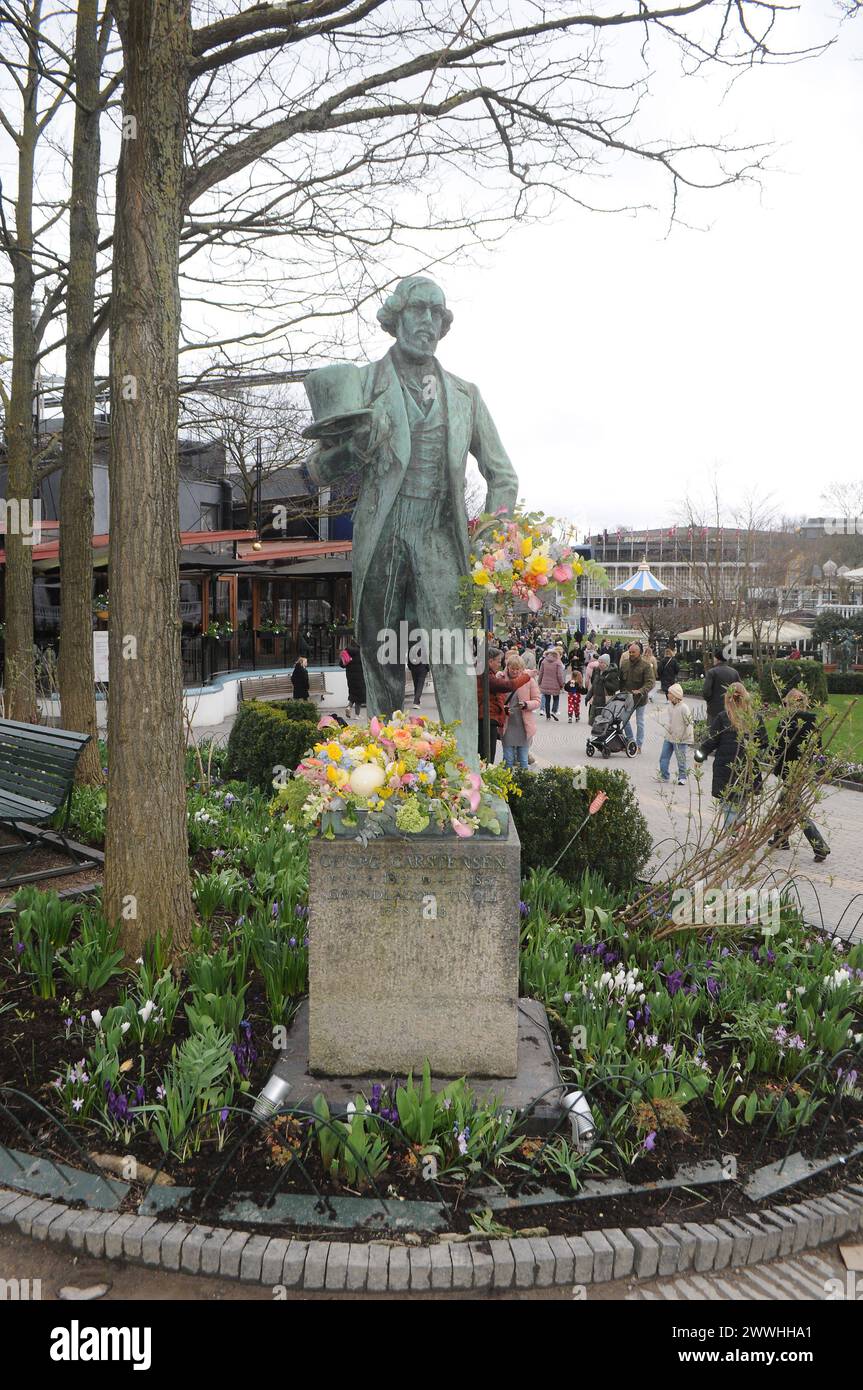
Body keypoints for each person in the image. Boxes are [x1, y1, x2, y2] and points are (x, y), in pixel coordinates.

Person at [306, 275, 518, 767]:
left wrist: (489, 538)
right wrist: (359, 445)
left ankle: (465, 776)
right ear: (396, 315)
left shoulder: (465, 394)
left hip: (440, 539)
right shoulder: (362, 382)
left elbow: (502, 476)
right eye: (418, 309)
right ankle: (384, 770)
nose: (427, 321)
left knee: (452, 657)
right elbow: (318, 468)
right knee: (382, 658)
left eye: (436, 314)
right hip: (383, 535)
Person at [694, 682, 768, 829]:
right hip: (748, 768)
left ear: (727, 698)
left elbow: (710, 741)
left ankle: (732, 836)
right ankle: (739, 828)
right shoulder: (755, 718)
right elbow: (764, 742)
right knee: (741, 803)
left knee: (728, 807)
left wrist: (698, 757)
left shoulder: (723, 718)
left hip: (726, 769)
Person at [768, 688, 830, 861]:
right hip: (803, 769)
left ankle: (819, 846)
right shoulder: (813, 722)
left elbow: (778, 746)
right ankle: (781, 839)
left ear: (788, 703)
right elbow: (818, 746)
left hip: (789, 769)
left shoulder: (787, 722)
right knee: (786, 802)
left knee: (794, 807)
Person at [477, 647, 530, 763]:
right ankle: (484, 776)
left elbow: (494, 696)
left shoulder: (485, 672)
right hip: (486, 718)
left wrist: (503, 708)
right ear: (490, 661)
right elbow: (507, 686)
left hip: (489, 717)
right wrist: (527, 677)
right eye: (498, 661)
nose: (500, 664)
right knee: (487, 755)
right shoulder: (485, 675)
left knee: (486, 753)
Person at [500, 655, 540, 769]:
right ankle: (507, 784)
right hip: (508, 725)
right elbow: (496, 700)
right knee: (508, 760)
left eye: (518, 669)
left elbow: (537, 700)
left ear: (522, 669)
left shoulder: (529, 681)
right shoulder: (501, 679)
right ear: (507, 667)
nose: (515, 671)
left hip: (523, 725)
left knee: (523, 760)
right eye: (512, 668)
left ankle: (523, 784)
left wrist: (526, 704)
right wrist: (503, 708)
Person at [619, 641, 655, 752]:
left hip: (640, 699)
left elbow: (650, 682)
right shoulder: (624, 663)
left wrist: (641, 690)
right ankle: (631, 741)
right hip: (627, 697)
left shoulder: (645, 665)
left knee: (640, 722)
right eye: (630, 652)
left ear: (639, 652)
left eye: (633, 652)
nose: (631, 654)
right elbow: (620, 680)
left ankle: (639, 745)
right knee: (624, 719)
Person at [655, 682, 694, 784]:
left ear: (675, 695)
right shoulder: (670, 706)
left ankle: (682, 777)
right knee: (663, 757)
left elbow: (689, 723)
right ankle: (664, 776)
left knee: (681, 759)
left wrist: (688, 738)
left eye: (669, 693)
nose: (668, 695)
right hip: (669, 737)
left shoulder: (684, 708)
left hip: (680, 739)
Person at [702, 647, 740, 731]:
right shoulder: (734, 672)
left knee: (713, 733)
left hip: (714, 709)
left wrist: (709, 701)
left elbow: (706, 691)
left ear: (717, 659)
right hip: (731, 708)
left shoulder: (712, 672)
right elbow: (740, 689)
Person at [538, 643, 566, 720]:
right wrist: (561, 684)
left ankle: (547, 716)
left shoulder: (544, 661)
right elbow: (559, 675)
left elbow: (541, 673)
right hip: (555, 684)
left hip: (545, 683)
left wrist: (539, 682)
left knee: (547, 699)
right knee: (556, 698)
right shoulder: (558, 662)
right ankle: (553, 711)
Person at [344, 638, 366, 716]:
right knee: (359, 696)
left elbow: (342, 664)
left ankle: (349, 707)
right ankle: (357, 715)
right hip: (360, 676)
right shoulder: (361, 651)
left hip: (350, 677)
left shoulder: (347, 651)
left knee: (353, 693)